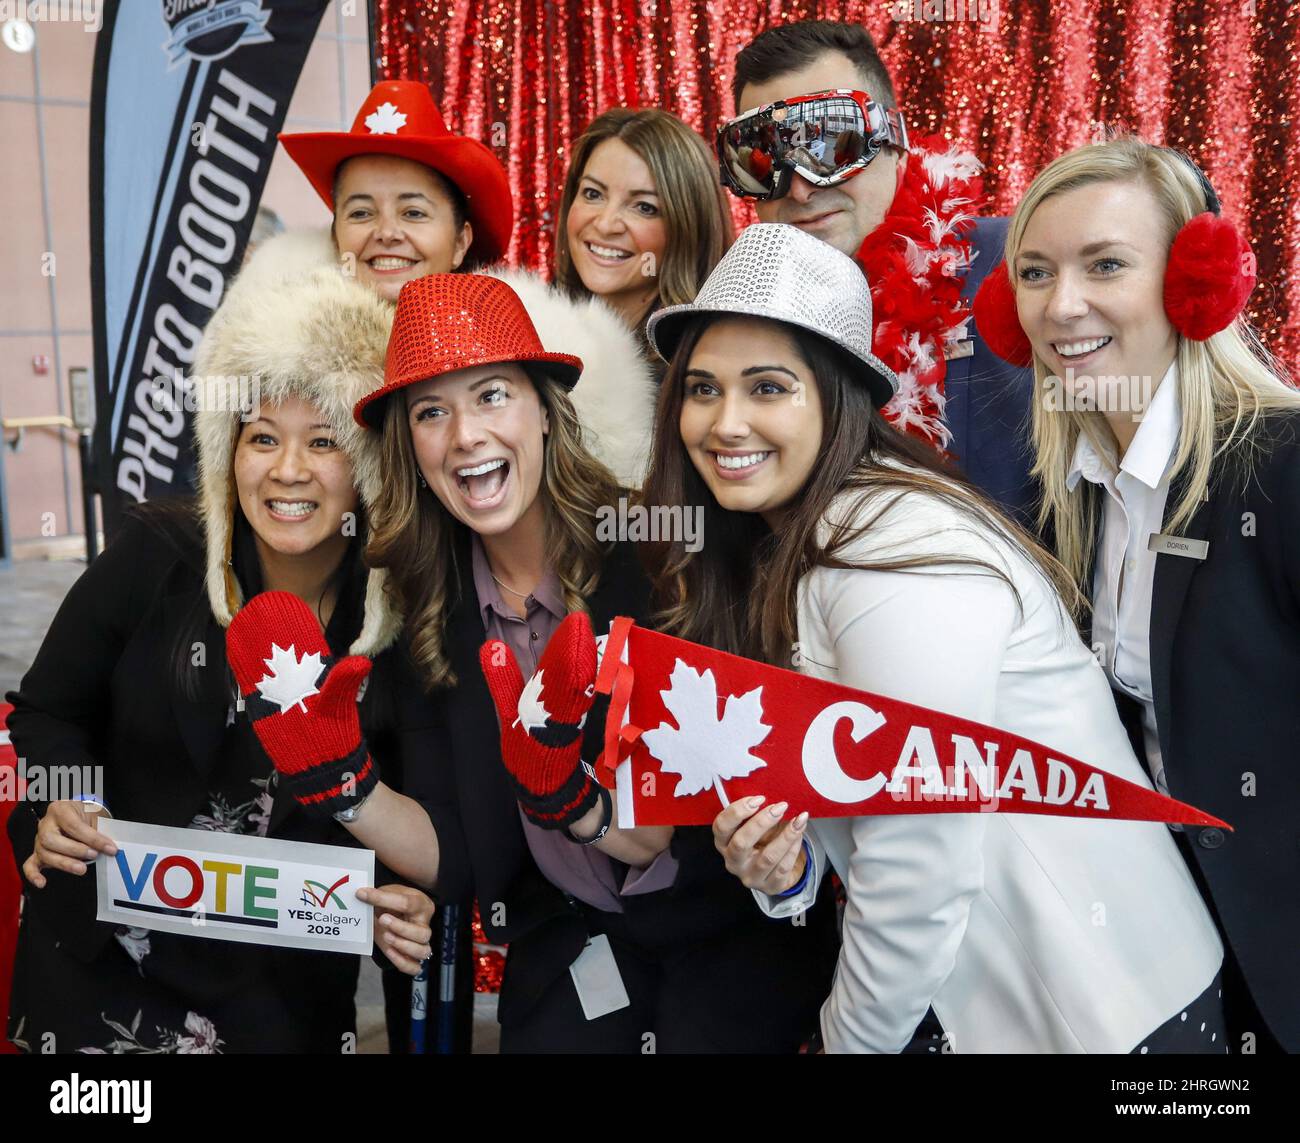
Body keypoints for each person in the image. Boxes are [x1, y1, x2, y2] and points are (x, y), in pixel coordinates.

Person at [641, 222, 1225, 1053]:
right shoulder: (795, 544)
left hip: (1107, 1012)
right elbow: (861, 824)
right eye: (702, 388)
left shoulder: (889, 543)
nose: (726, 422)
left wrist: (848, 1046)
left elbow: (920, 862)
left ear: (835, 396)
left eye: (768, 387)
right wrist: (789, 869)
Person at [352, 273, 838, 1053]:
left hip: (723, 927)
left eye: (492, 396)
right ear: (409, 443)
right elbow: (460, 852)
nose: (466, 435)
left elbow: (705, 812)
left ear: (546, 410)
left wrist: (571, 797)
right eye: (431, 413)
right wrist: (339, 781)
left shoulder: (662, 550)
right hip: (571, 940)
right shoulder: (426, 612)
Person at [5, 266, 437, 1054]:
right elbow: (47, 712)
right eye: (262, 437)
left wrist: (403, 906)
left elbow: (415, 827)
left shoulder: (404, 619)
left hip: (278, 1004)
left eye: (325, 442)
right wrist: (61, 806)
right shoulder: (155, 551)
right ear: (228, 452)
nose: (287, 470)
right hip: (104, 980)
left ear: (371, 466)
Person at [972, 134, 1300, 1053]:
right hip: (1174, 973)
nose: (1060, 305)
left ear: (1197, 285)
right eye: (1034, 272)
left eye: (1104, 264)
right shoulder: (1069, 496)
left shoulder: (1283, 465)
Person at [718, 19, 1036, 523]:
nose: (800, 190)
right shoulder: (747, 324)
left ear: (894, 139)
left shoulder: (1020, 264)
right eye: (763, 161)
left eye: (831, 146)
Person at [554, 108, 733, 364]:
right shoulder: (528, 329)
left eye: (644, 207)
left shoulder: (702, 367)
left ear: (688, 229)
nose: (606, 225)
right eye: (593, 194)